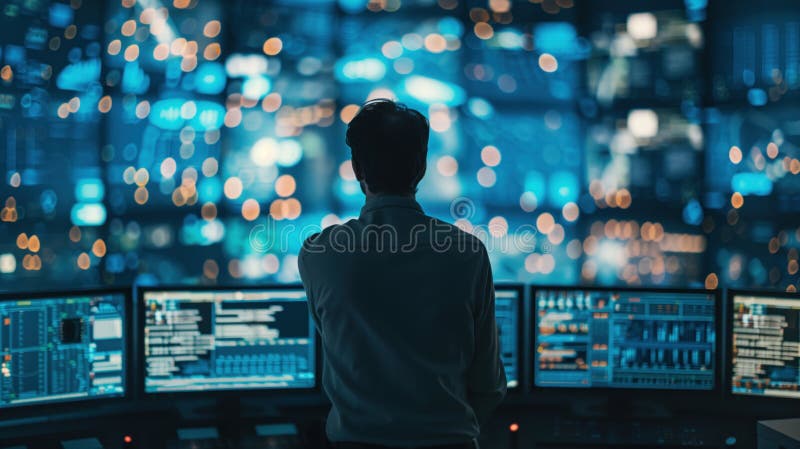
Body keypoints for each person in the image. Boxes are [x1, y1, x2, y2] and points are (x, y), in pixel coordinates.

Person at [298, 99, 506, 449]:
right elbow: (488, 386)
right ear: (421, 167)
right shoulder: (468, 254)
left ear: (357, 169)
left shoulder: (319, 254)